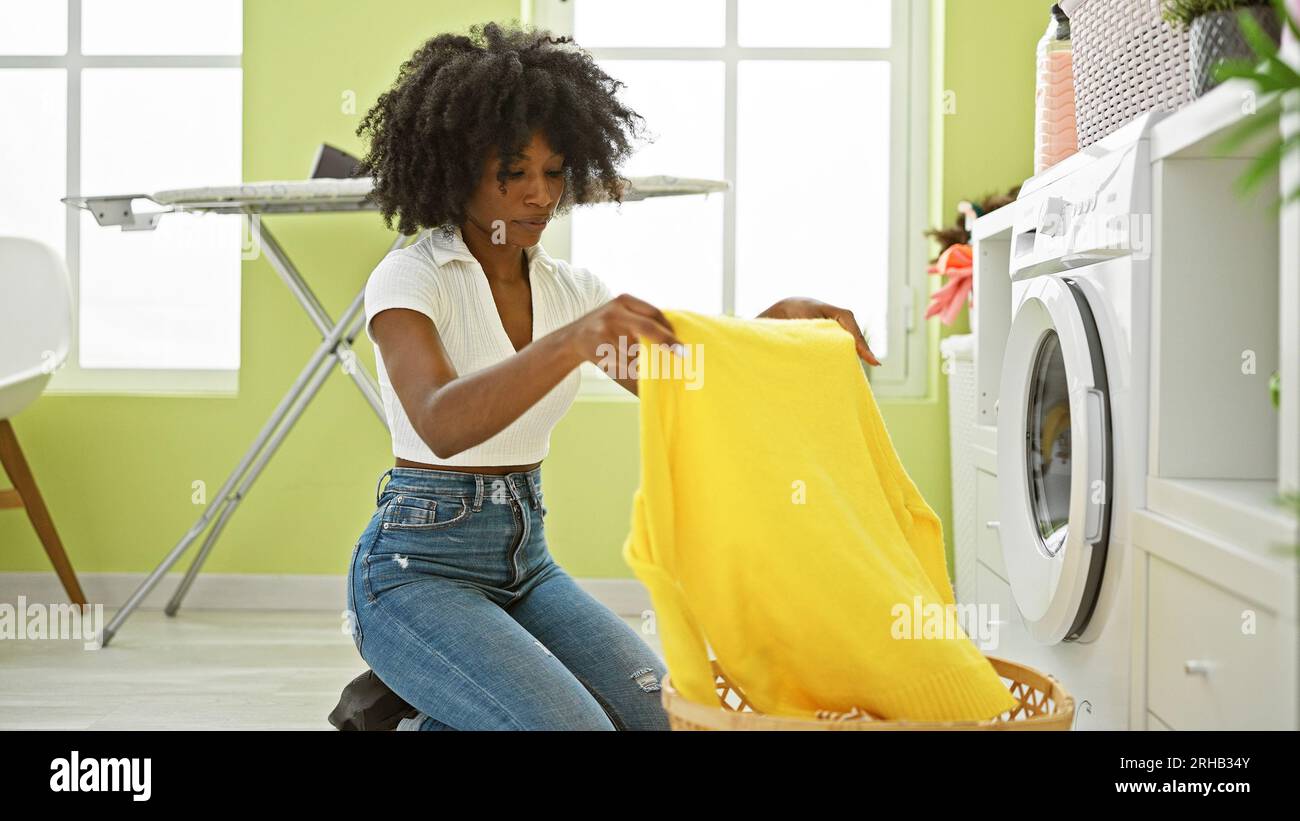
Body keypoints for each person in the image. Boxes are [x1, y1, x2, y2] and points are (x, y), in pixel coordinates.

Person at [342, 20, 880, 731]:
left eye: (554, 171)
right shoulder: (411, 278)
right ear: (459, 167)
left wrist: (778, 324)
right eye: (514, 172)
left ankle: (443, 703)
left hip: (525, 561)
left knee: (668, 721)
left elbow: (686, 380)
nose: (540, 195)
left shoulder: (569, 291)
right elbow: (439, 421)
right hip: (416, 569)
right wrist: (575, 342)